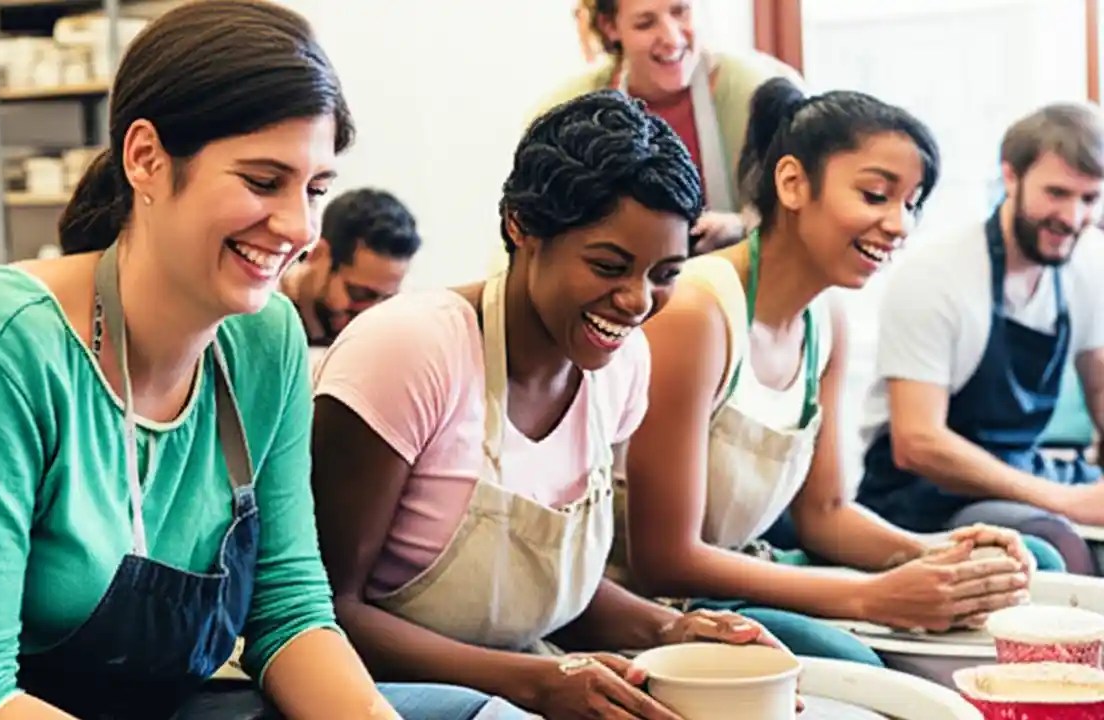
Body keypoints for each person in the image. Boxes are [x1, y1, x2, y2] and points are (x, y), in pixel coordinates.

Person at [0, 3, 520, 719]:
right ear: (146, 158)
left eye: (315, 189)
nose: (299, 229)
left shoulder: (267, 338)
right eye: (262, 181)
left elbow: (289, 613)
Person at [312, 89, 785, 720]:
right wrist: (535, 683)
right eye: (609, 265)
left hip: (520, 668)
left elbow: (541, 594)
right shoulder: (409, 349)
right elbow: (322, 613)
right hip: (369, 688)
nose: (637, 301)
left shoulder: (622, 366)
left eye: (665, 273)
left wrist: (669, 633)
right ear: (521, 227)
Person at [620, 77, 1063, 667]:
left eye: (912, 204)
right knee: (857, 662)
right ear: (793, 183)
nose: (900, 225)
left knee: (1035, 557)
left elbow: (823, 515)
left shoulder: (825, 320)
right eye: (877, 195)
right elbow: (664, 558)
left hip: (745, 569)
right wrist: (873, 596)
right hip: (661, 602)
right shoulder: (699, 312)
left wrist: (937, 556)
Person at [857, 103, 1104, 576]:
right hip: (922, 497)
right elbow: (917, 442)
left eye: (1090, 199)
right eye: (1056, 193)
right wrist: (1066, 501)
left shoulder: (1089, 261)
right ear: (1010, 177)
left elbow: (1099, 386)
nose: (1072, 217)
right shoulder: (938, 275)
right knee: (1051, 540)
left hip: (1022, 471)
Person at [545, 0, 803, 253]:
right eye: (645, 23)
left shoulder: (758, 90)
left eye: (681, 11)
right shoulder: (567, 111)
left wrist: (742, 226)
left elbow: (807, 211)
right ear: (610, 26)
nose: (671, 38)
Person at [278, 187, 420, 365]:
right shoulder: (262, 313)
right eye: (359, 294)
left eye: (386, 300)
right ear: (319, 254)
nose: (371, 313)